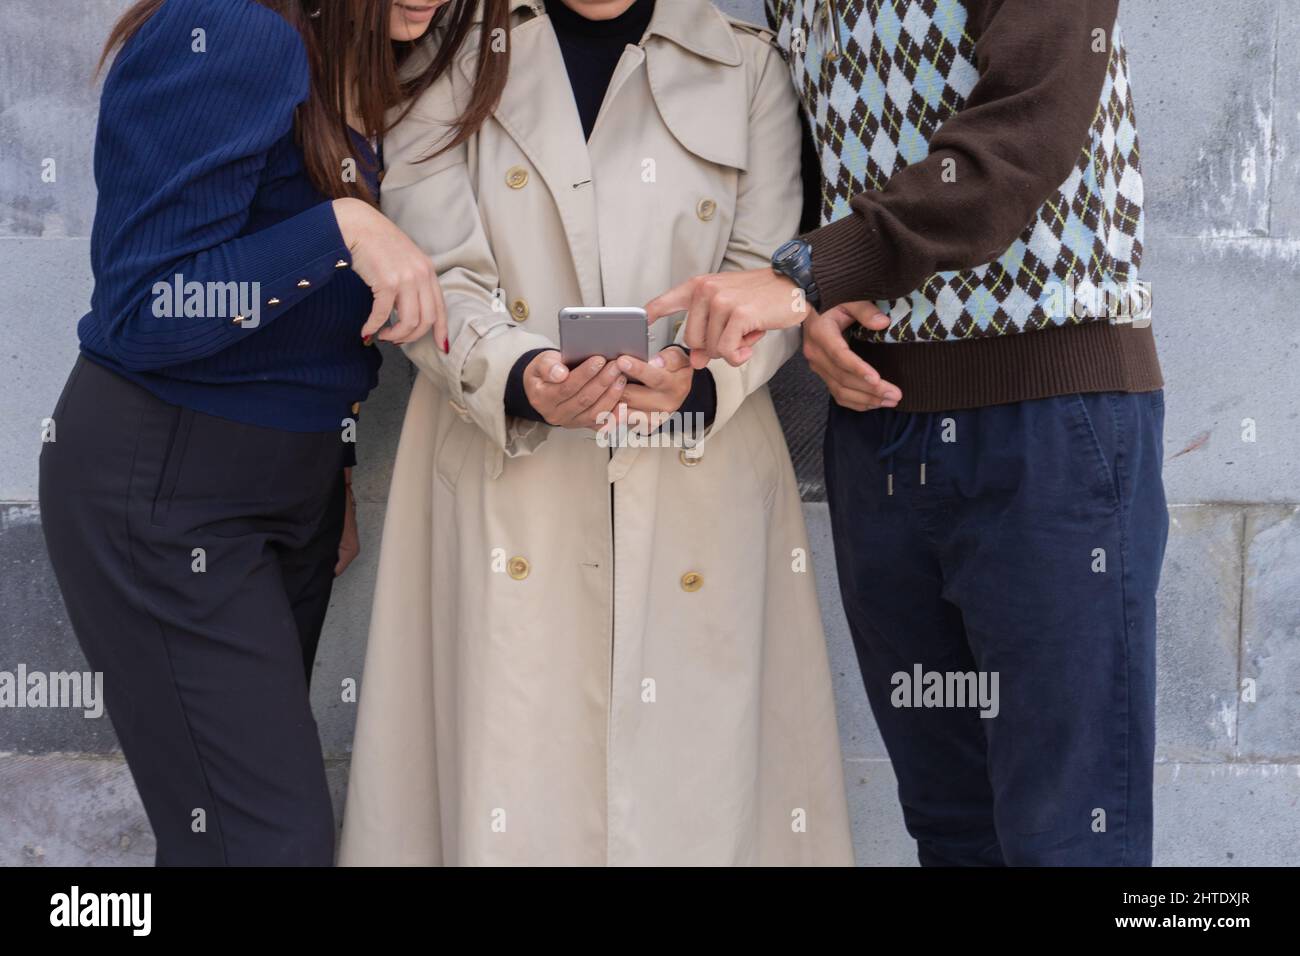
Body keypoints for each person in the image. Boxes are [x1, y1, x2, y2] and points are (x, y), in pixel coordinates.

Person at [648, 0, 1167, 866]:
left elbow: (1023, 134)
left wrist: (806, 274)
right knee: (950, 826)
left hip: (1047, 424)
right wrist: (816, 308)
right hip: (879, 431)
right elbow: (842, 155)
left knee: (1069, 838)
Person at [339, 0, 854, 866]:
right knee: (510, 788)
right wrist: (517, 376)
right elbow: (435, 273)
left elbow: (769, 273)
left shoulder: (746, 64)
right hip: (505, 459)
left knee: (697, 797)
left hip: (700, 470)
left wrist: (696, 381)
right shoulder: (447, 48)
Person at [38, 0, 509, 866]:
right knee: (271, 844)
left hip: (282, 494)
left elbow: (301, 327)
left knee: (224, 833)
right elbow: (146, 310)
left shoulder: (343, 55)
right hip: (169, 489)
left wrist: (329, 458)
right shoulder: (230, 28)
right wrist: (341, 228)